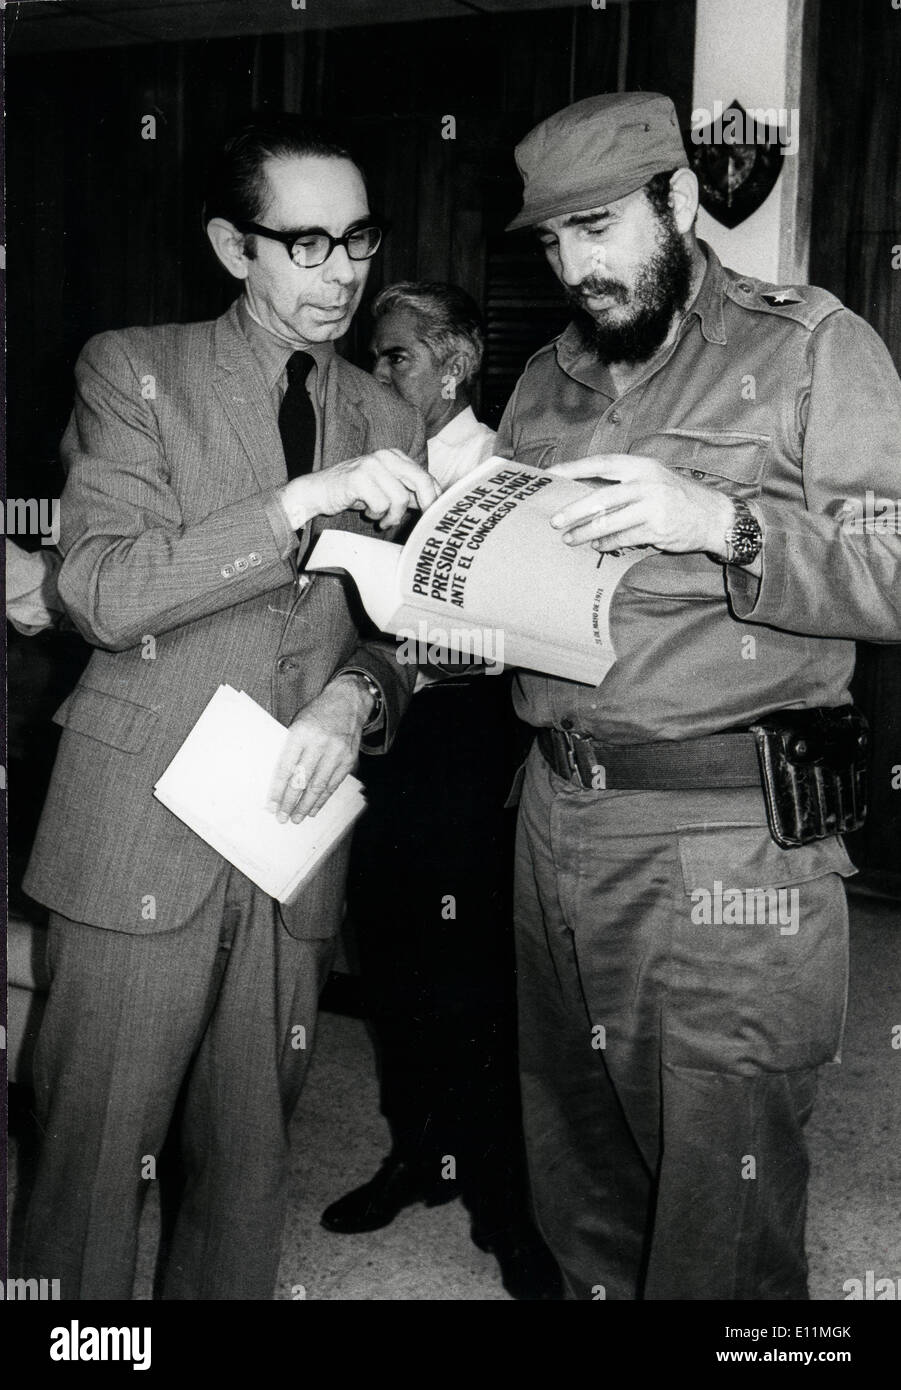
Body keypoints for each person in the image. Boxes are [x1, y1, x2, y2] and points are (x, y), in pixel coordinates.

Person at [19, 114, 437, 1301]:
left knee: (248, 1169)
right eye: (303, 242)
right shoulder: (132, 368)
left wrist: (359, 695)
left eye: (358, 238)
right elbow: (100, 588)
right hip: (139, 815)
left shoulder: (390, 415)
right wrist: (297, 502)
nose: (342, 270)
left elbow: (406, 632)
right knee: (92, 1163)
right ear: (230, 245)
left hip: (291, 835)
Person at [495, 91, 901, 1299]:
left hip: (729, 838)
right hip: (553, 815)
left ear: (680, 199)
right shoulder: (541, 381)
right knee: (579, 1177)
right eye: (555, 240)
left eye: (602, 227)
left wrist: (719, 521)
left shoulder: (813, 346)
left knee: (716, 1216)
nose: (577, 267)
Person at [320, 282, 560, 1299]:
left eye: (396, 359)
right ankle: (416, 1154)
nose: (376, 378)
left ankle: (509, 1202)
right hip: (377, 743)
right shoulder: (367, 463)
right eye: (372, 360)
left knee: (477, 983)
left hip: (470, 752)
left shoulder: (513, 469)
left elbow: (542, 628)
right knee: (392, 961)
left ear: (456, 362)